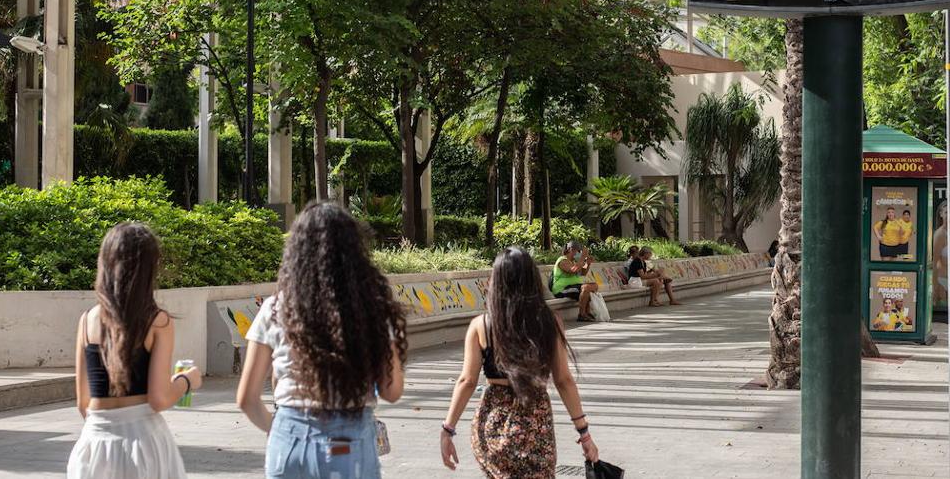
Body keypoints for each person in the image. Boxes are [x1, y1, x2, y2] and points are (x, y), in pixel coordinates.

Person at [237, 203, 406, 479]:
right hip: (347, 446)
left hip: (288, 442)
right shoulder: (370, 312)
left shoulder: (275, 309)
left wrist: (278, 431)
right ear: (355, 256)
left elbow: (246, 398)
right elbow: (392, 391)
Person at [441, 247, 601, 477]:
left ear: (497, 281)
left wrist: (447, 430)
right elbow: (564, 380)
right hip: (535, 423)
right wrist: (584, 434)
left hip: (492, 423)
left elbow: (467, 381)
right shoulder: (549, 321)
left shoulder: (481, 325)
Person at [67, 222, 201, 479]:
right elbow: (158, 399)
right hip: (143, 441)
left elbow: (83, 403)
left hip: (94, 443)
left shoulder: (86, 321)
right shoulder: (157, 320)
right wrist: (187, 380)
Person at [551, 241, 599, 322]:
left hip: (572, 287)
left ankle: (587, 312)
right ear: (570, 249)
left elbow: (583, 273)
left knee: (593, 286)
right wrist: (583, 257)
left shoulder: (573, 261)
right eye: (578, 251)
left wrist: (588, 263)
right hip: (561, 289)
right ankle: (582, 315)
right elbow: (573, 270)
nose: (579, 253)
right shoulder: (562, 260)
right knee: (586, 288)